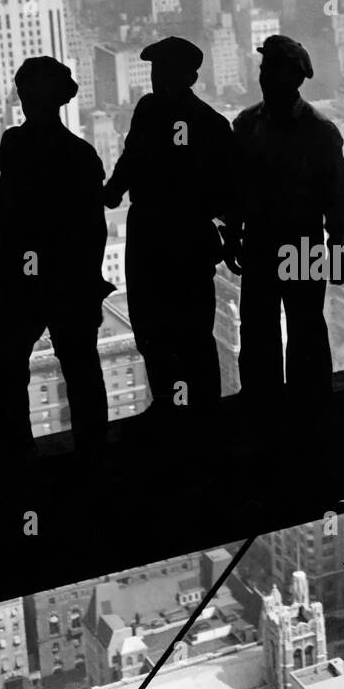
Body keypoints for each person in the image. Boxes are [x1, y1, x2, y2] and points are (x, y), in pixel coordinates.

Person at [0, 57, 112, 461]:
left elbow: (91, 229)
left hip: (50, 281)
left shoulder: (74, 155)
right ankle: (31, 448)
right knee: (66, 367)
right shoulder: (26, 146)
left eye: (33, 90)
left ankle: (23, 449)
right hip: (38, 280)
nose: (26, 97)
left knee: (71, 367)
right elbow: (6, 212)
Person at [104, 37, 233, 418]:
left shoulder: (207, 124)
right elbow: (130, 157)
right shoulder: (157, 112)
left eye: (165, 70)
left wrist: (115, 192)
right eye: (155, 70)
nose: (157, 78)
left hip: (173, 236)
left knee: (187, 332)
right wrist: (112, 191)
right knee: (154, 330)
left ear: (188, 76)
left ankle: (196, 411)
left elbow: (224, 192)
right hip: (160, 235)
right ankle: (175, 407)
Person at [226, 36, 344, 406]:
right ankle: (262, 399)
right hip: (263, 240)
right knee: (257, 326)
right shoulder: (247, 124)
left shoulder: (319, 131)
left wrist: (340, 253)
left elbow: (337, 201)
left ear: (294, 77)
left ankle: (309, 400)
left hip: (302, 242)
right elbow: (237, 189)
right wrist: (233, 234)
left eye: (271, 68)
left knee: (305, 325)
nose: (263, 75)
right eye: (264, 68)